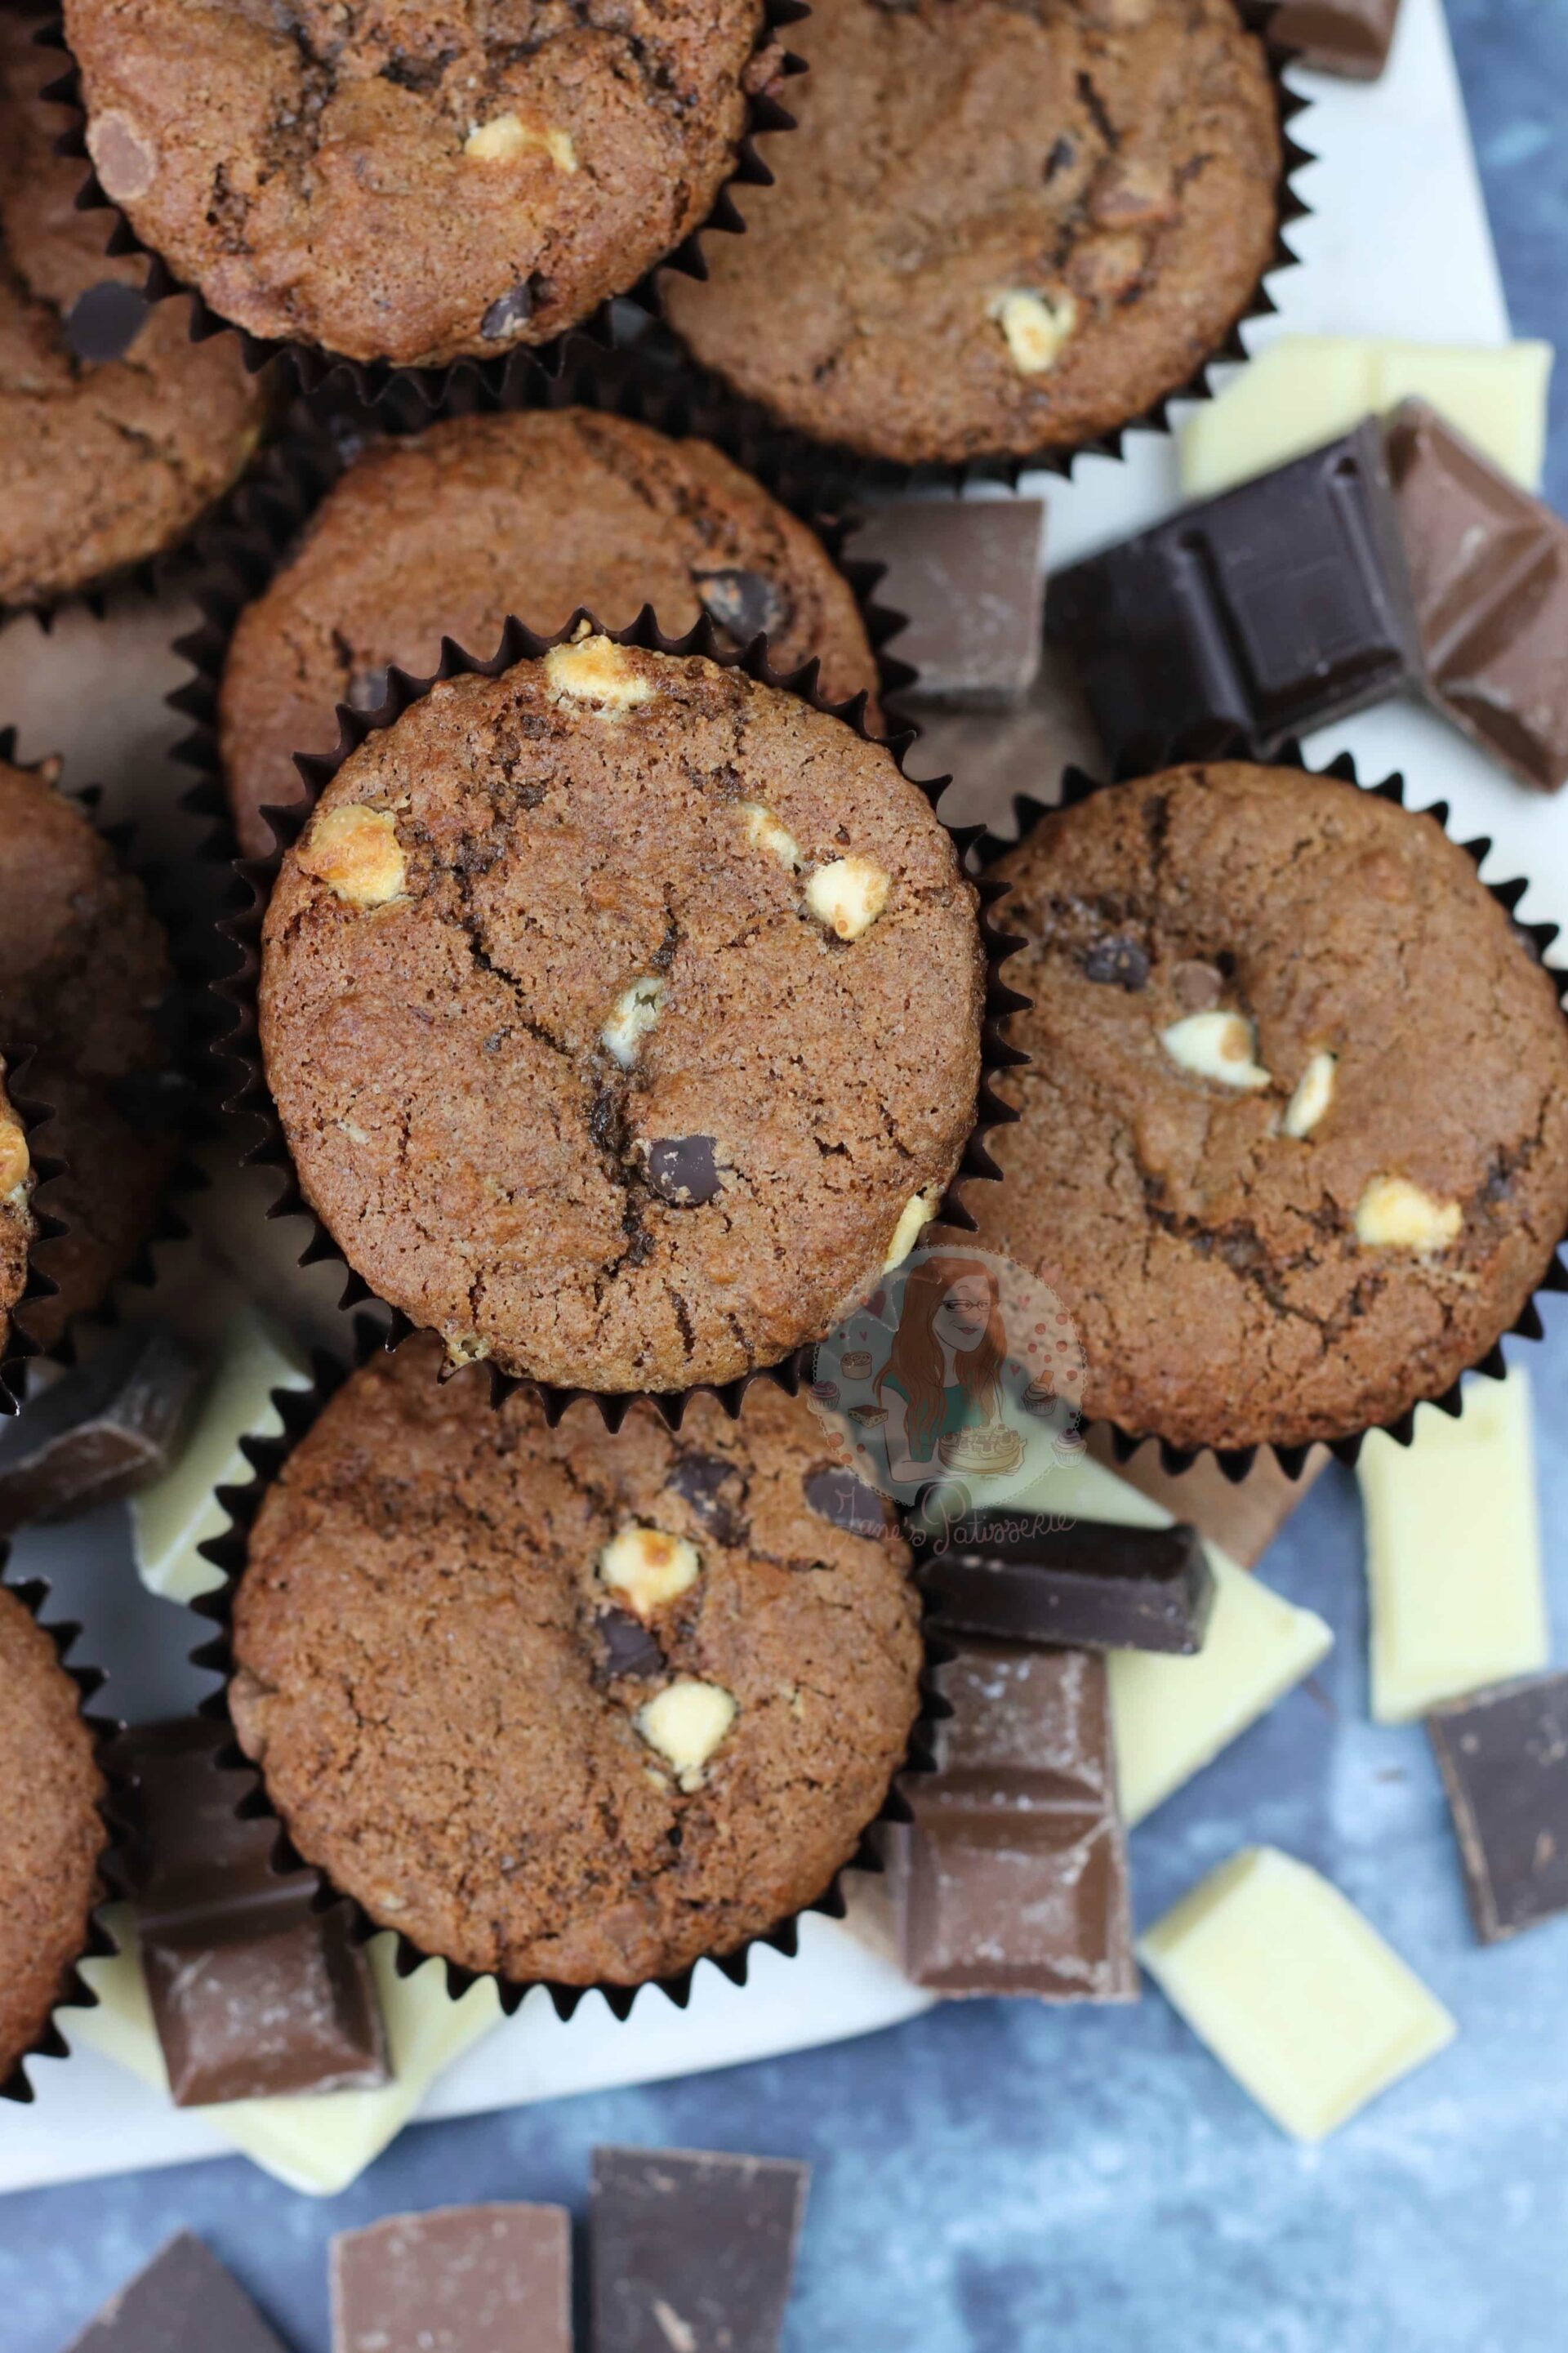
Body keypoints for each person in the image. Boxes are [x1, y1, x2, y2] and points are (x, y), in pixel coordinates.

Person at [877, 1253, 1009, 1495]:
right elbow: (899, 1470)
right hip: (927, 1505)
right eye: (955, 1305)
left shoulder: (983, 1377)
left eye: (983, 1306)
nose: (974, 1317)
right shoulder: (897, 1384)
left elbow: (999, 1441)